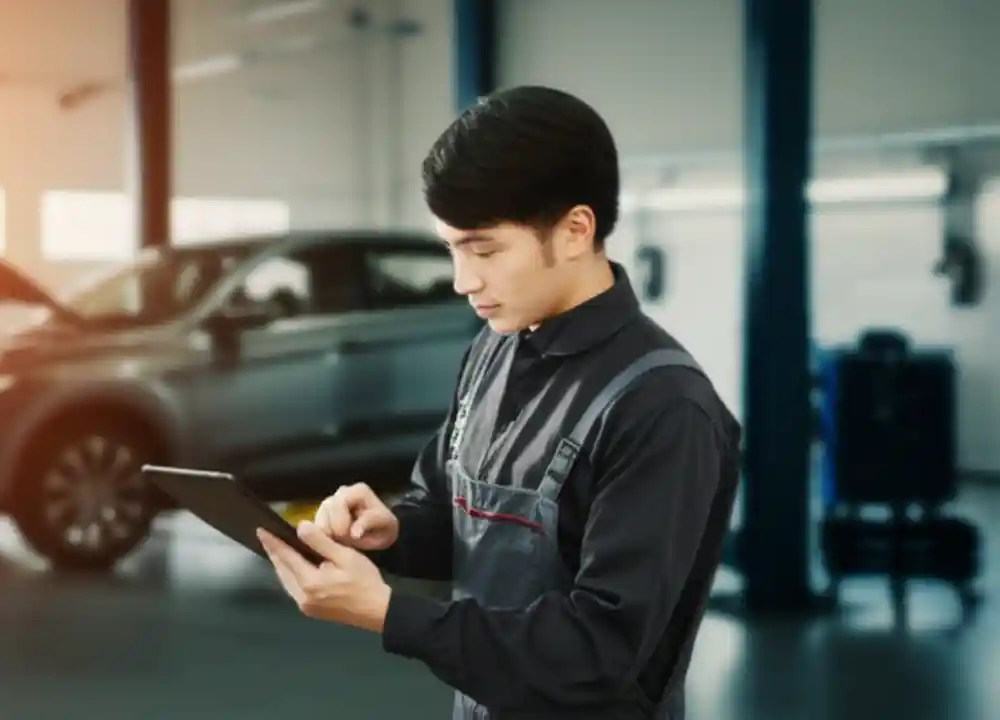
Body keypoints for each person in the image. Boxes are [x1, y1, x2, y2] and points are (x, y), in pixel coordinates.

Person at [256, 85, 742, 719]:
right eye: (453, 250)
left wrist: (389, 615)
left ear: (575, 230)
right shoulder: (494, 349)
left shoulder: (664, 408)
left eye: (483, 250)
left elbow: (601, 651)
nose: (464, 281)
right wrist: (393, 532)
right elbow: (453, 514)